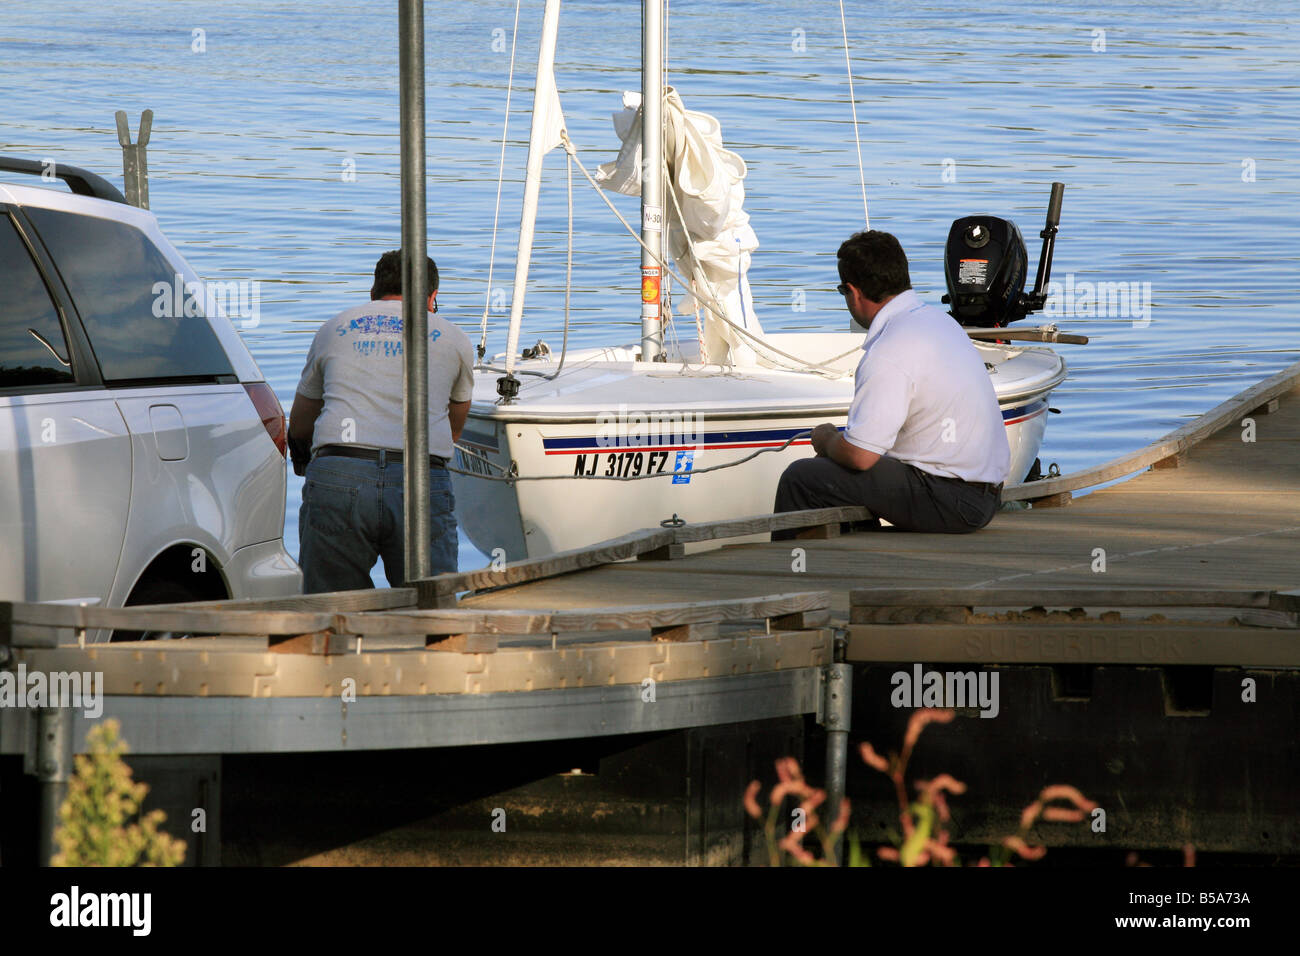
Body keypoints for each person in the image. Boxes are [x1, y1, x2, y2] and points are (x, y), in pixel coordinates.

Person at [772, 230, 1009, 540]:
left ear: (854, 292)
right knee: (832, 472)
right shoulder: (939, 322)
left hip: (952, 500)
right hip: (984, 494)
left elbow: (861, 456)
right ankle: (853, 552)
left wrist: (827, 439)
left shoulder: (889, 350)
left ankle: (790, 575)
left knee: (802, 477)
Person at [288, 250, 475, 591]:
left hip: (339, 476)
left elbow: (301, 423)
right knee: (431, 606)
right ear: (432, 298)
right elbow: (454, 428)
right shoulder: (454, 339)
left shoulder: (334, 329)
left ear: (372, 293)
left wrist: (306, 466)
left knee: (331, 611)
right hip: (419, 482)